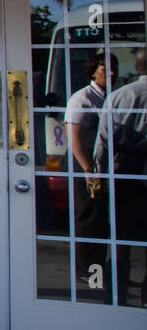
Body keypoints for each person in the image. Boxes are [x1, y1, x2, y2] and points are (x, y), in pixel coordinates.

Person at [92, 48, 147, 305]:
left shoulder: (119, 96)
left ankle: (116, 295)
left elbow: (103, 143)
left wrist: (98, 175)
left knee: (119, 241)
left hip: (124, 172)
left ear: (137, 68)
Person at [67, 53, 115, 286]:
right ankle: (88, 270)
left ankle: (101, 266)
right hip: (85, 162)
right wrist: (88, 170)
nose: (112, 73)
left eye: (114, 68)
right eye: (105, 69)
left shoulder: (113, 96)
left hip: (105, 161)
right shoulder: (82, 99)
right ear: (93, 71)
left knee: (103, 218)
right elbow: (74, 138)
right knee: (88, 218)